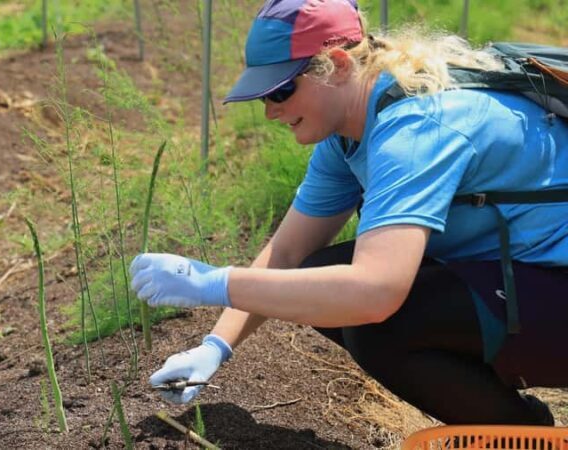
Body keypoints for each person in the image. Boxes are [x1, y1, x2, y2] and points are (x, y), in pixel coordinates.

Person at [129, 0, 568, 425]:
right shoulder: (348, 132)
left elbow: (376, 292)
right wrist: (214, 347)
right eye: (262, 97)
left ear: (338, 65)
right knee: (320, 275)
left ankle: (520, 433)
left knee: (379, 325)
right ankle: (512, 421)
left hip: (553, 286)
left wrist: (211, 283)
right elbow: (287, 255)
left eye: (281, 90)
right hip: (530, 280)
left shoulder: (417, 126)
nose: (270, 112)